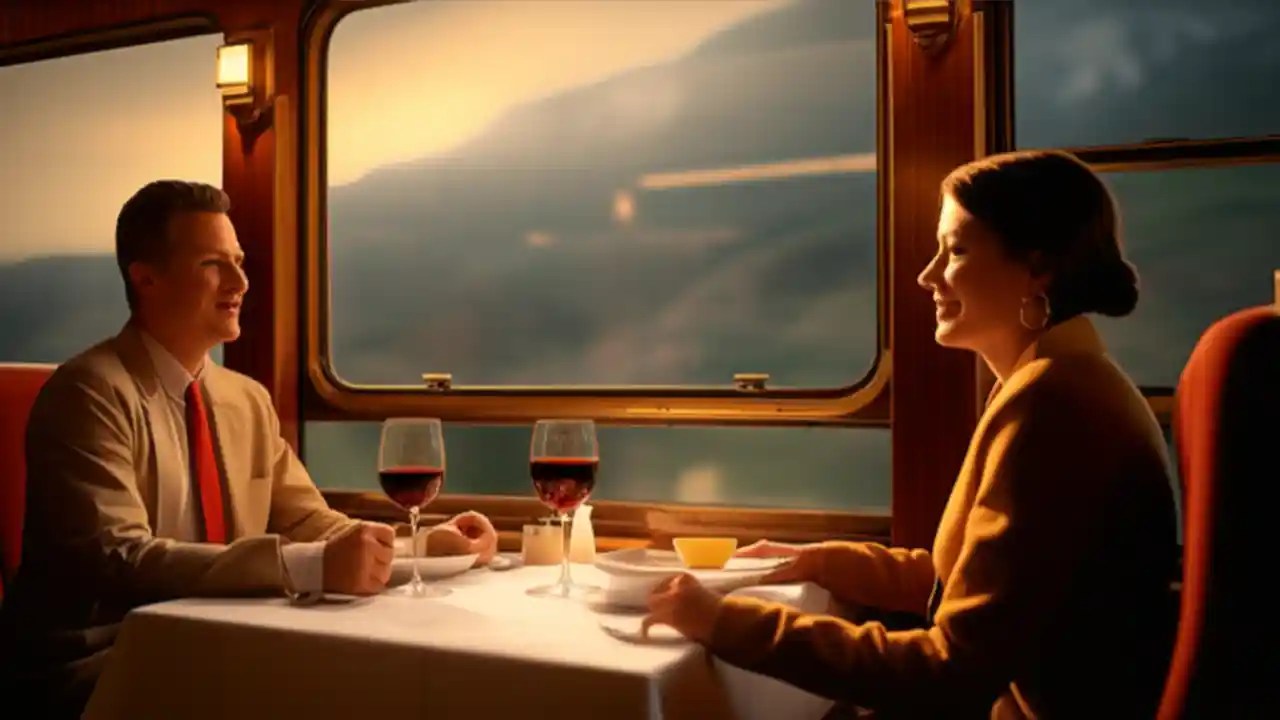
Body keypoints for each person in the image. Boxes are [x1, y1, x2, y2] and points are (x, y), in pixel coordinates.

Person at [642, 151, 1179, 718]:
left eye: (957, 250)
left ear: (1037, 267)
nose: (928, 275)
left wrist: (724, 623)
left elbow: (951, 669)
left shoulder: (1054, 406)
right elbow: (980, 589)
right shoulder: (1060, 379)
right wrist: (822, 561)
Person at [0, 180, 498, 718]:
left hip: (220, 644)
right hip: (99, 669)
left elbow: (314, 527)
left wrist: (422, 547)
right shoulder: (89, 394)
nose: (240, 281)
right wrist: (308, 570)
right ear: (145, 278)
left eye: (239, 261)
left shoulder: (246, 400)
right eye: (213, 264)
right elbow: (121, 558)